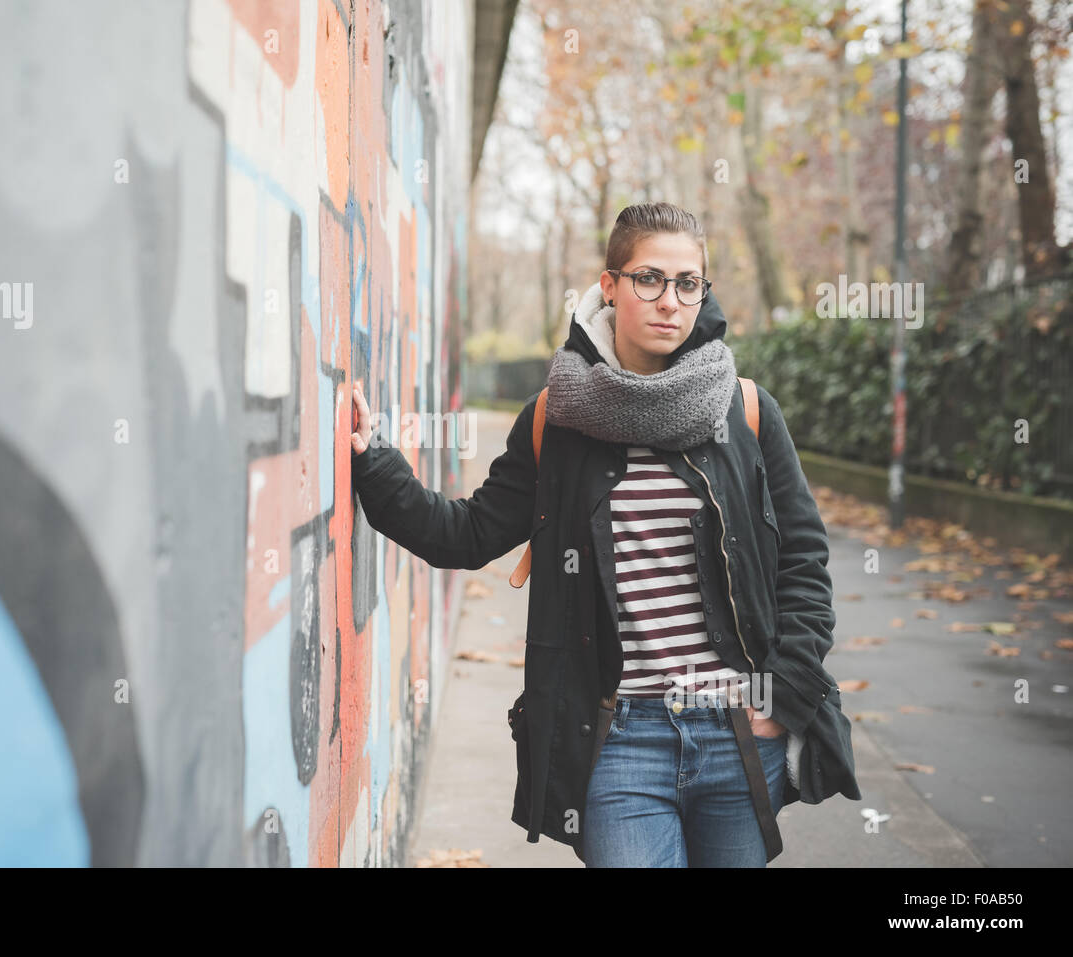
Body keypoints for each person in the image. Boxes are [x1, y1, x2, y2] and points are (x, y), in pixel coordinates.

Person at [349, 201, 860, 867]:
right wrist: (372, 459)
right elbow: (466, 534)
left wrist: (783, 699)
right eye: (649, 278)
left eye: (688, 283)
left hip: (738, 735)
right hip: (620, 741)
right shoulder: (557, 421)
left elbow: (804, 562)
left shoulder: (748, 410)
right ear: (610, 285)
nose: (670, 301)